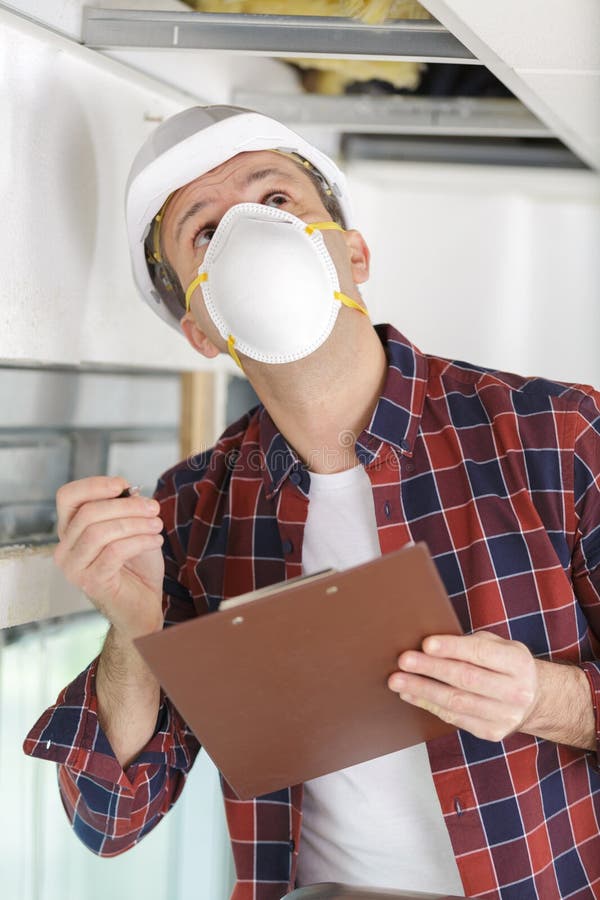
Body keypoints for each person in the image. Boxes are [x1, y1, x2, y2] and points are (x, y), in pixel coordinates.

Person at [24, 106, 600, 900]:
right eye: (206, 231)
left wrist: (544, 698)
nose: (251, 237)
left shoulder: (557, 434)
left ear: (353, 253)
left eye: (277, 200)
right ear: (199, 330)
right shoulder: (191, 513)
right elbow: (110, 816)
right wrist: (133, 629)